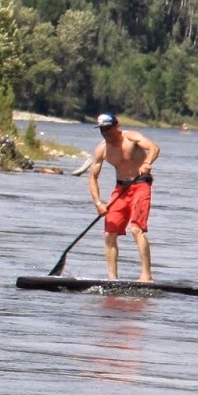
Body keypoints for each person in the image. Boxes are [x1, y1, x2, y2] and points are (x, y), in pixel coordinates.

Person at [86, 113, 160, 281]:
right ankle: (112, 278)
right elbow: (92, 177)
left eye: (108, 129)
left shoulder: (130, 137)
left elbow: (154, 148)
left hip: (141, 184)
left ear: (116, 127)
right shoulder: (102, 149)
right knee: (109, 233)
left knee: (136, 229)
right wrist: (98, 202)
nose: (106, 133)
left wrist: (147, 162)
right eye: (102, 130)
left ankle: (146, 276)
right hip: (121, 188)